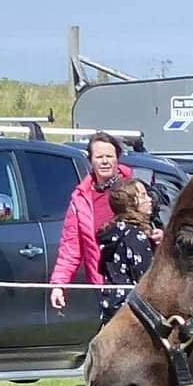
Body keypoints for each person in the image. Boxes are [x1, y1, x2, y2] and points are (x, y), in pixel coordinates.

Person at [47, 132, 133, 312]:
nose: (104, 161)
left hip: (137, 281)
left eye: (109, 156)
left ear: (117, 159)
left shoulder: (134, 188)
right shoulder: (80, 199)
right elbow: (70, 249)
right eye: (99, 157)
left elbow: (158, 226)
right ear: (91, 160)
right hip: (104, 285)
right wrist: (58, 285)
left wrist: (157, 235)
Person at [97, 180, 157, 323]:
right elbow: (146, 280)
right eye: (143, 196)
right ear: (131, 203)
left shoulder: (113, 234)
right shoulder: (135, 236)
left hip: (111, 307)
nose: (150, 199)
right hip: (132, 313)